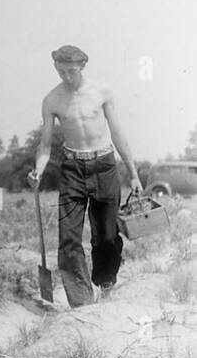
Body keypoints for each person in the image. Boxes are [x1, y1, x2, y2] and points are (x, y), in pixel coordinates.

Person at [28, 45, 143, 307]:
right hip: (71, 170)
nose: (66, 77)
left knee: (106, 235)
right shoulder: (51, 100)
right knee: (68, 237)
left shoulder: (101, 92)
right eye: (61, 72)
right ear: (55, 68)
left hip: (104, 166)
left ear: (82, 66)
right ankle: (82, 304)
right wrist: (39, 169)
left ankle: (105, 283)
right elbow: (45, 146)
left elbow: (118, 133)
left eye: (71, 71)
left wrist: (133, 174)